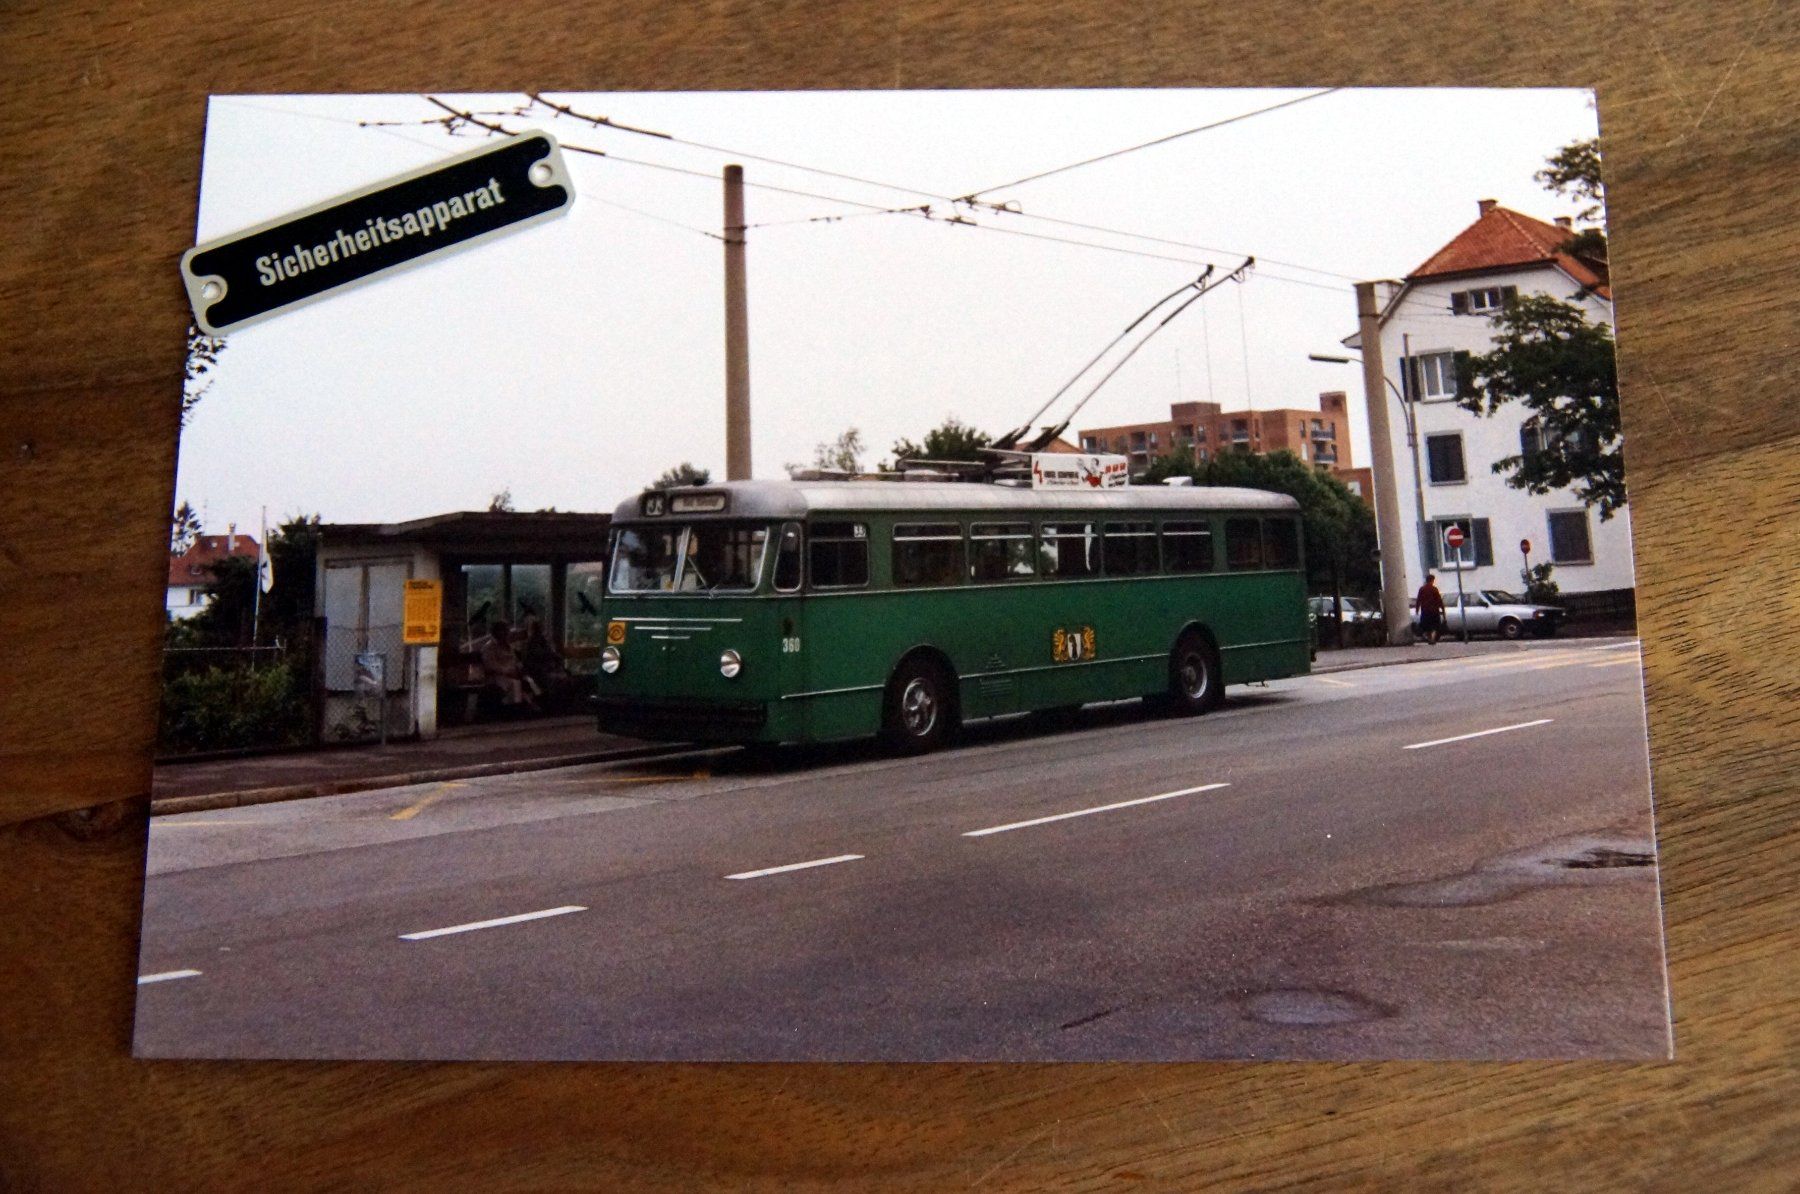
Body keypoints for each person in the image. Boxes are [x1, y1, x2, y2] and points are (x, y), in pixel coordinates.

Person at [479, 620, 539, 710]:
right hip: (498, 676)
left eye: (507, 631)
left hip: (513, 674)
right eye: (504, 630)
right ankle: (516, 708)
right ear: (496, 632)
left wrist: (520, 669)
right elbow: (490, 665)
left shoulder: (509, 646)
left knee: (529, 680)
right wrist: (507, 671)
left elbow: (515, 661)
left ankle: (533, 702)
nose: (507, 633)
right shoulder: (489, 647)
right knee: (514, 683)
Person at [1415, 573, 1447, 645]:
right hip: (1434, 611)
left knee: (1426, 626)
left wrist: (1417, 609)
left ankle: (1429, 638)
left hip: (1425, 611)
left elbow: (1418, 600)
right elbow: (1439, 600)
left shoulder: (1422, 589)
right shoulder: (1434, 589)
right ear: (1432, 580)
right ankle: (1432, 638)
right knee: (1435, 626)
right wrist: (1443, 609)